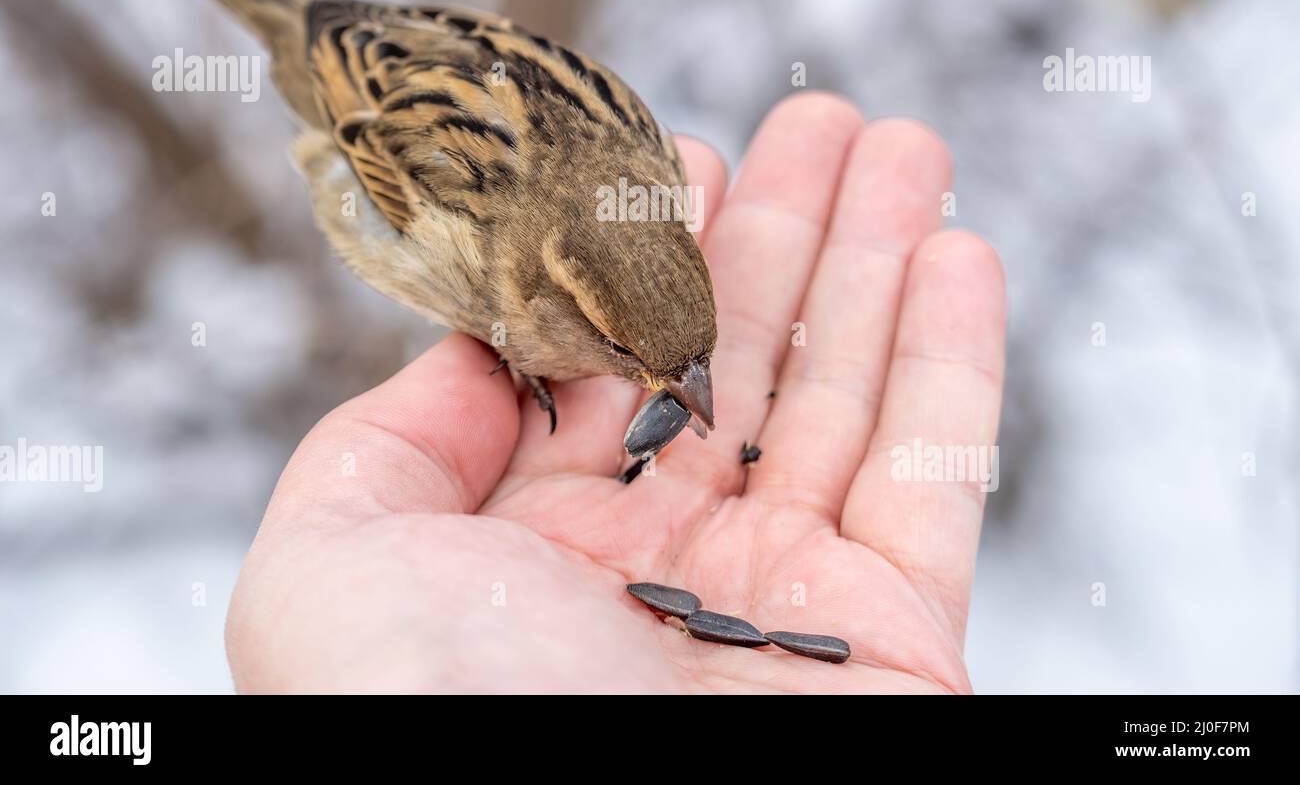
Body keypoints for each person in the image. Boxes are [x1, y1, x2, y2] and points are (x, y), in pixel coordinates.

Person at [225, 95, 1006, 693]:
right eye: (642, 356)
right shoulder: (481, 242)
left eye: (699, 361)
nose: (695, 395)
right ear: (550, 300)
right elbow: (359, 144)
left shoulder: (649, 176)